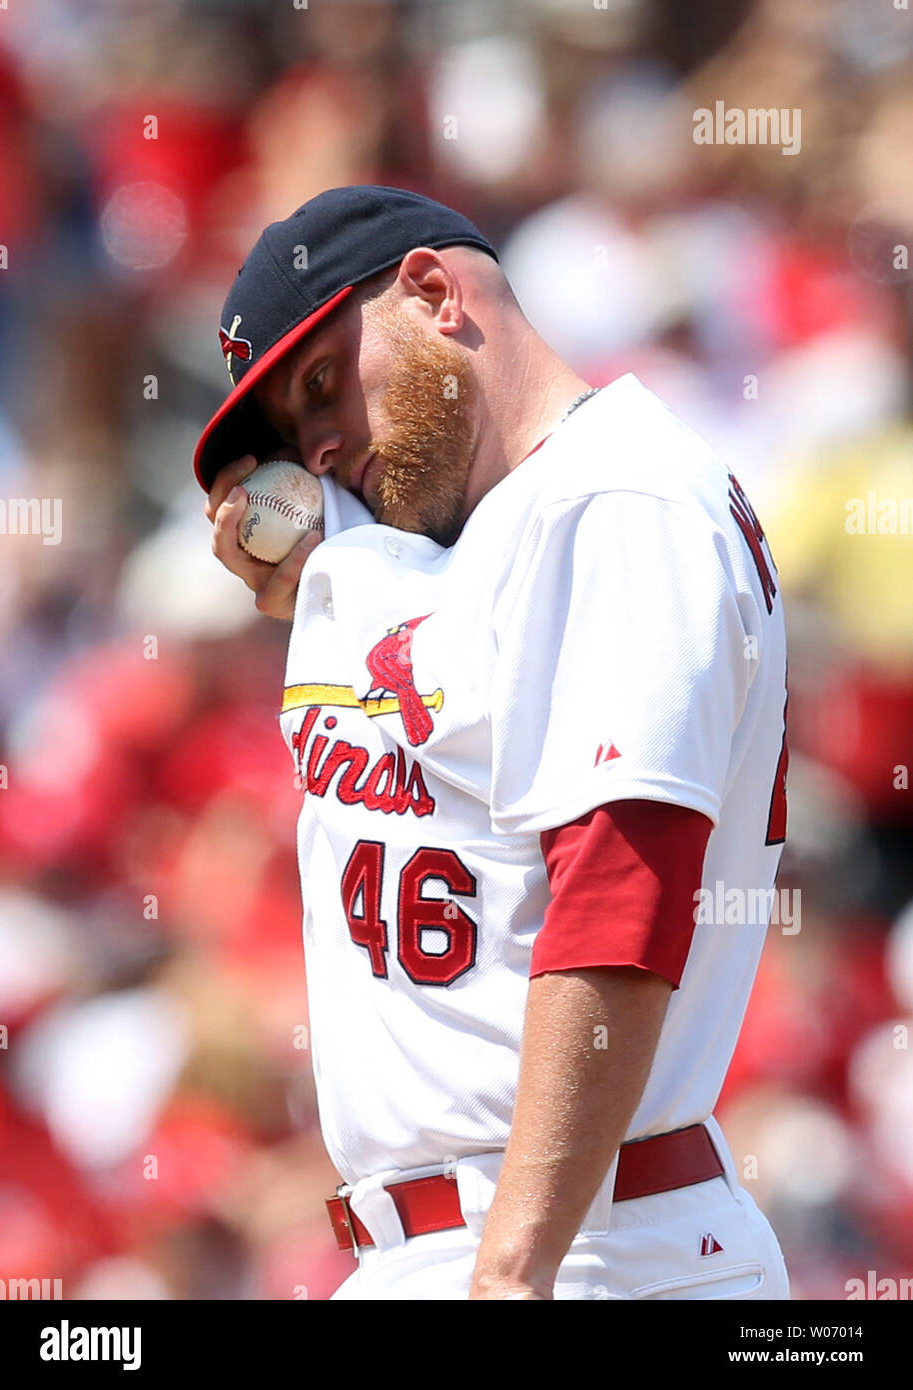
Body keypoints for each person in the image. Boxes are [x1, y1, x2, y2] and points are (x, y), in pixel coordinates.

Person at [195, 185, 790, 1301]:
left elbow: (622, 890)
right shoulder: (484, 537)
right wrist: (317, 553)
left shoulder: (617, 499)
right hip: (474, 1242)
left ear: (431, 293)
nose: (319, 450)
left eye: (323, 383)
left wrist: (512, 1272)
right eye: (292, 437)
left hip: (589, 1244)